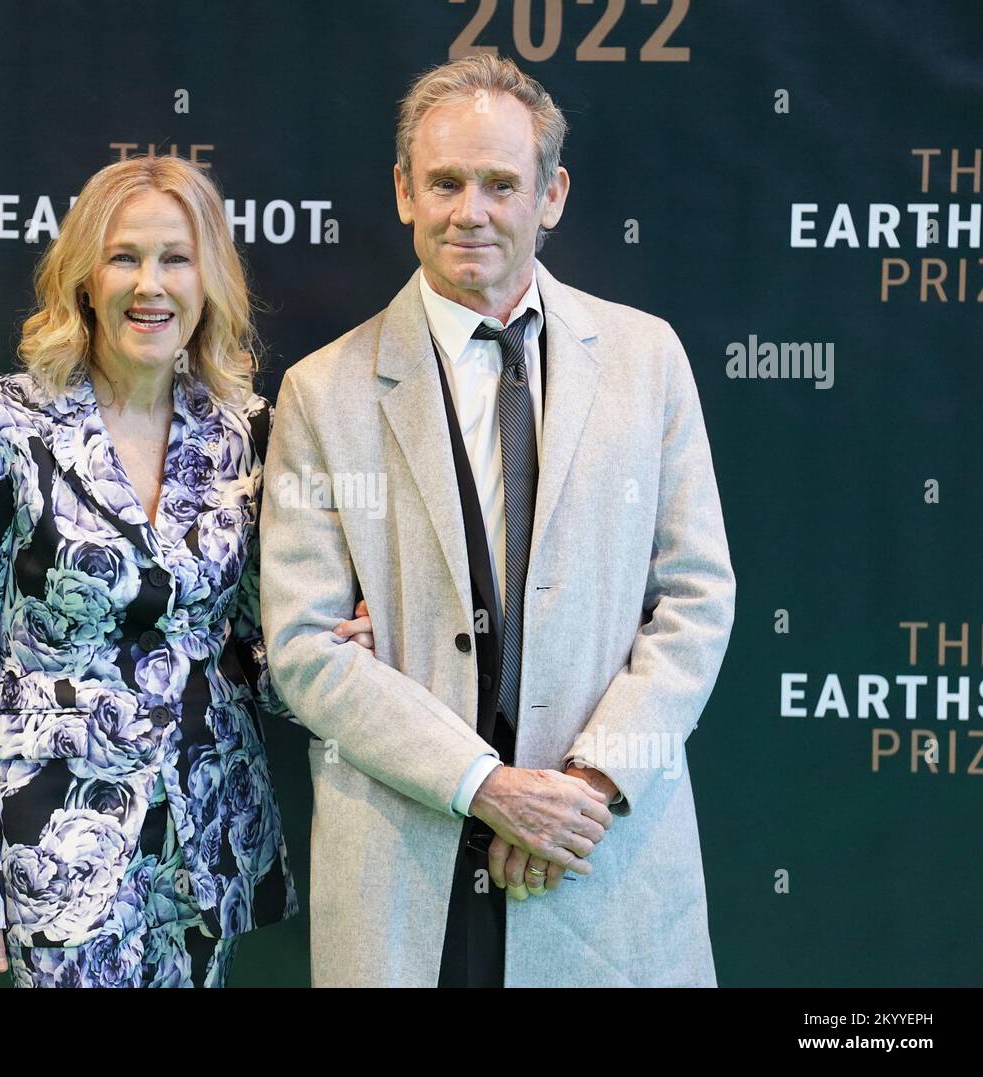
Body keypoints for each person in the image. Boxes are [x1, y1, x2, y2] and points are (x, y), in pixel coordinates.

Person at [260, 55, 736, 987]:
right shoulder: (321, 393)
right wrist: (491, 790)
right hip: (409, 867)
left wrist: (586, 788)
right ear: (404, 190)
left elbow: (695, 601)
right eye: (443, 182)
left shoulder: (648, 359)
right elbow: (306, 646)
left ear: (551, 195)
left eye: (500, 183)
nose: (468, 211)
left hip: (601, 861)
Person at [0, 154, 374, 988]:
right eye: (125, 257)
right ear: (84, 278)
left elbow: (249, 649)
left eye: (176, 258)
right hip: (53, 844)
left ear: (209, 282)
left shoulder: (248, 430)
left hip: (205, 839)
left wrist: (331, 647)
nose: (150, 285)